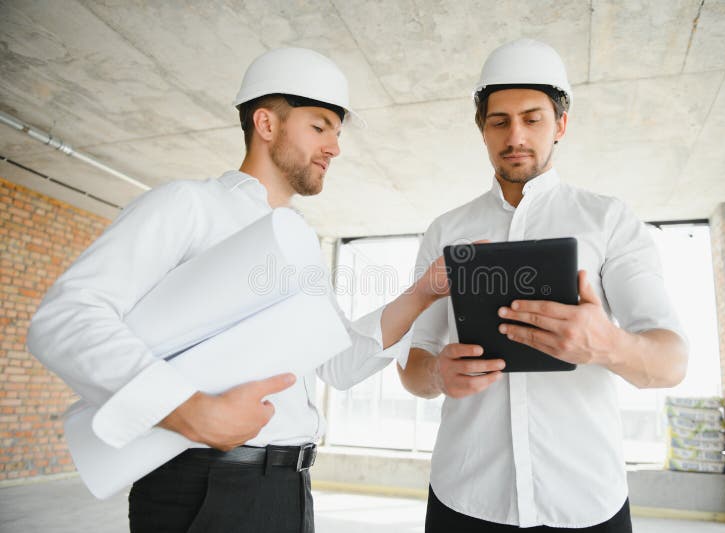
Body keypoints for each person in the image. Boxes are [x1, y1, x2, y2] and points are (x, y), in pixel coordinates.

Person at [27, 47, 448, 533]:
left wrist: (424, 293)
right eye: (320, 127)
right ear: (266, 123)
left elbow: (340, 364)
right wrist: (187, 410)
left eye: (337, 133)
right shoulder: (188, 206)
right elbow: (66, 316)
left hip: (289, 490)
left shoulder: (300, 242)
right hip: (203, 487)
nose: (335, 147)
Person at [398, 38, 688, 532]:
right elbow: (412, 362)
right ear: (483, 130)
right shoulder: (445, 231)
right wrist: (437, 376)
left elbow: (671, 362)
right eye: (499, 121)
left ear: (561, 125)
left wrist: (606, 343)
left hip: (584, 499)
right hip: (465, 496)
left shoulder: (608, 220)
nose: (515, 135)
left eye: (532, 119)